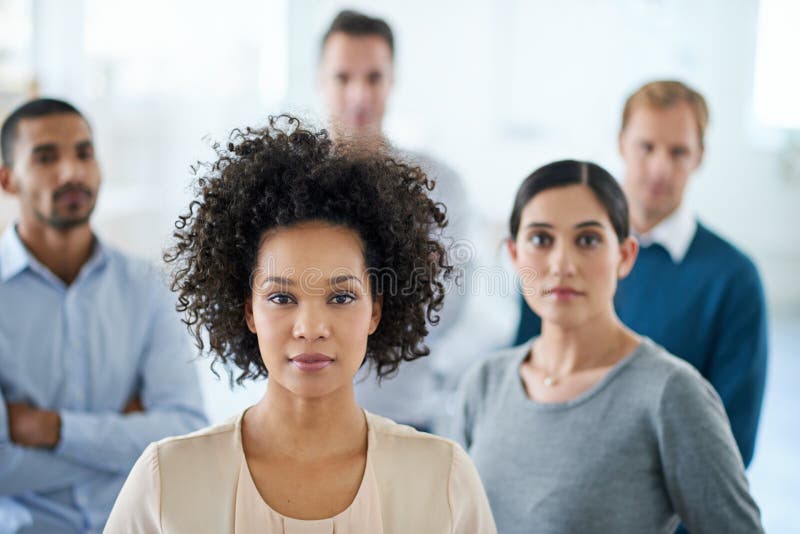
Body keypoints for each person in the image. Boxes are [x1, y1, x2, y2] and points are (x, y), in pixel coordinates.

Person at [104, 115, 496, 533]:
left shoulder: (443, 479)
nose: (310, 327)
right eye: (281, 298)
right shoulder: (167, 480)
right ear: (248, 310)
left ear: (376, 310)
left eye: (341, 297)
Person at [453, 160, 763, 534]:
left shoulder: (670, 394)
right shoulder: (485, 384)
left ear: (626, 255)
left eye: (587, 240)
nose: (562, 263)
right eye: (540, 239)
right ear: (515, 255)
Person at [513, 81, 768, 466]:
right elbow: (522, 375)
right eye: (646, 147)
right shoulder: (553, 259)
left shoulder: (733, 279)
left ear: (699, 156)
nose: (660, 168)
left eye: (678, 151)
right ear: (621, 144)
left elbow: (731, 441)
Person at [0, 98, 207, 533]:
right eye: (45, 158)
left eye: (83, 152)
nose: (71, 172)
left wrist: (51, 429)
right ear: (8, 180)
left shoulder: (147, 287)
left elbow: (185, 432)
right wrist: (125, 443)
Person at [318, 9, 472, 431]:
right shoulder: (289, 188)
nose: (359, 96)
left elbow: (447, 304)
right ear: (320, 79)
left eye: (373, 78)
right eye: (343, 78)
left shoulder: (441, 185)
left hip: (405, 414)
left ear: (393, 80)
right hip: (306, 414)